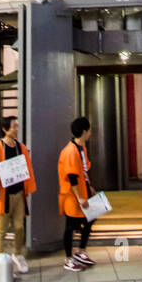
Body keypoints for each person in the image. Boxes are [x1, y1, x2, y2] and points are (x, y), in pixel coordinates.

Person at [0, 116, 36, 275]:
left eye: (17, 126)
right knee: (1, 230)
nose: (17, 129)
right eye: (13, 126)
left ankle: (17, 254)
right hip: (4, 196)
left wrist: (27, 190)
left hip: (18, 194)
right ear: (5, 129)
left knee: (19, 227)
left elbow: (28, 169)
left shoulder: (21, 147)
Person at [57, 116, 95, 272]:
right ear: (85, 131)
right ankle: (68, 259)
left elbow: (83, 171)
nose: (90, 132)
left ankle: (80, 252)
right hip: (72, 196)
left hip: (83, 191)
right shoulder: (70, 151)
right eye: (89, 129)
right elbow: (72, 177)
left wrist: (89, 186)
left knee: (91, 218)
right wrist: (80, 197)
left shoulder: (81, 147)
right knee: (70, 227)